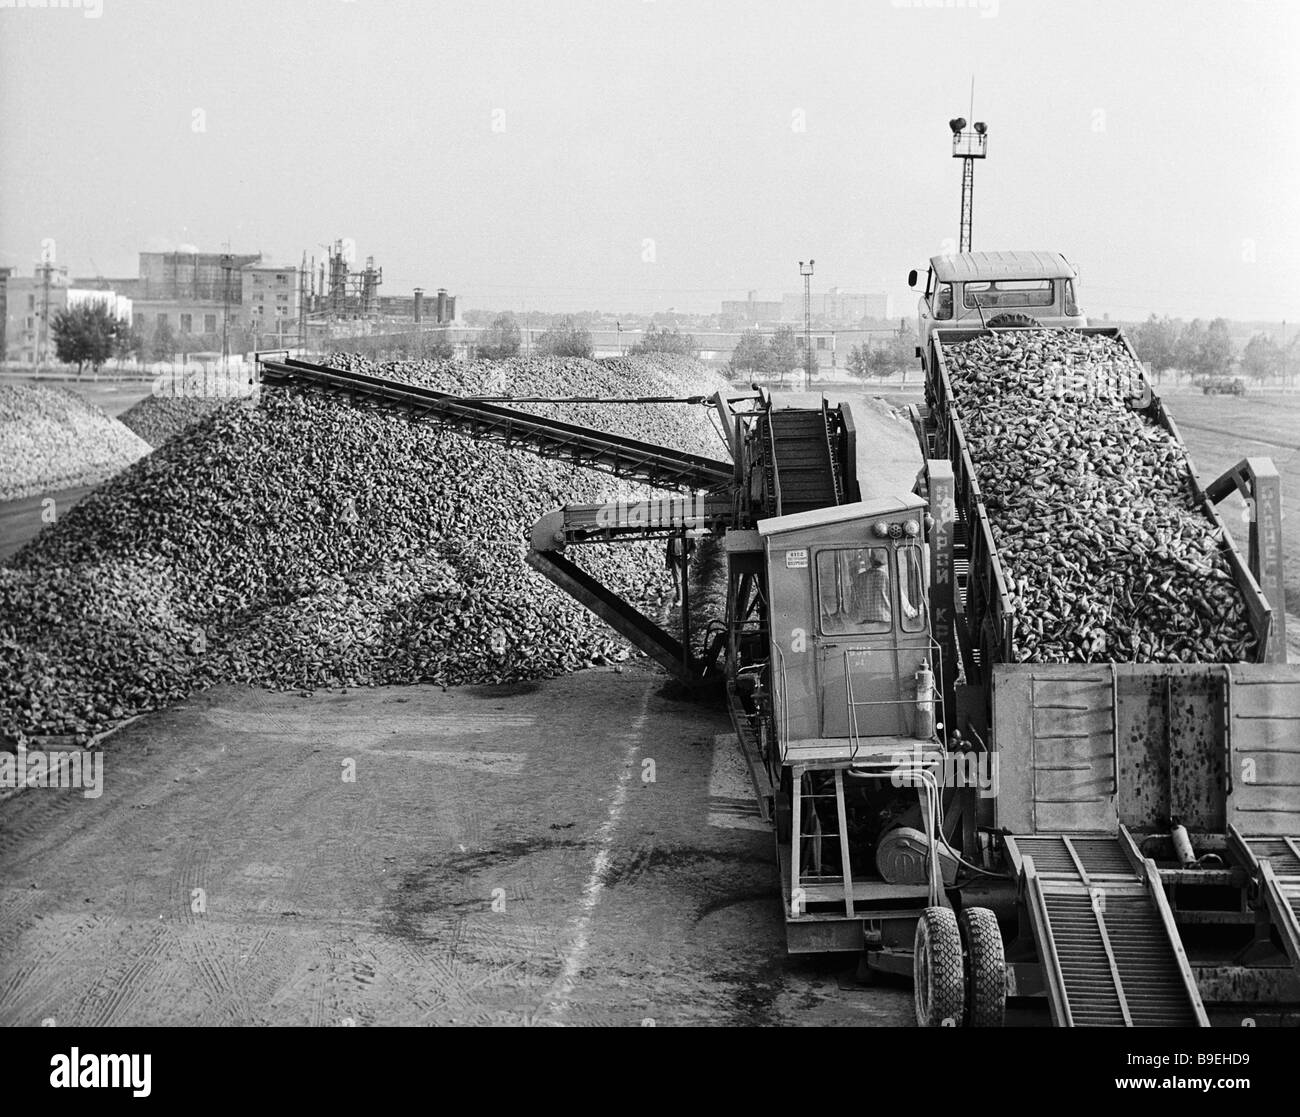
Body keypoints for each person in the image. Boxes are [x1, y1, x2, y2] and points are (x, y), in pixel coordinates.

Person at [850, 552, 892, 626]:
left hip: (865, 624)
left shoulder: (860, 578)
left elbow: (854, 601)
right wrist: (912, 613)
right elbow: (901, 601)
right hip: (885, 624)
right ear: (886, 562)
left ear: (871, 560)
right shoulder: (887, 578)